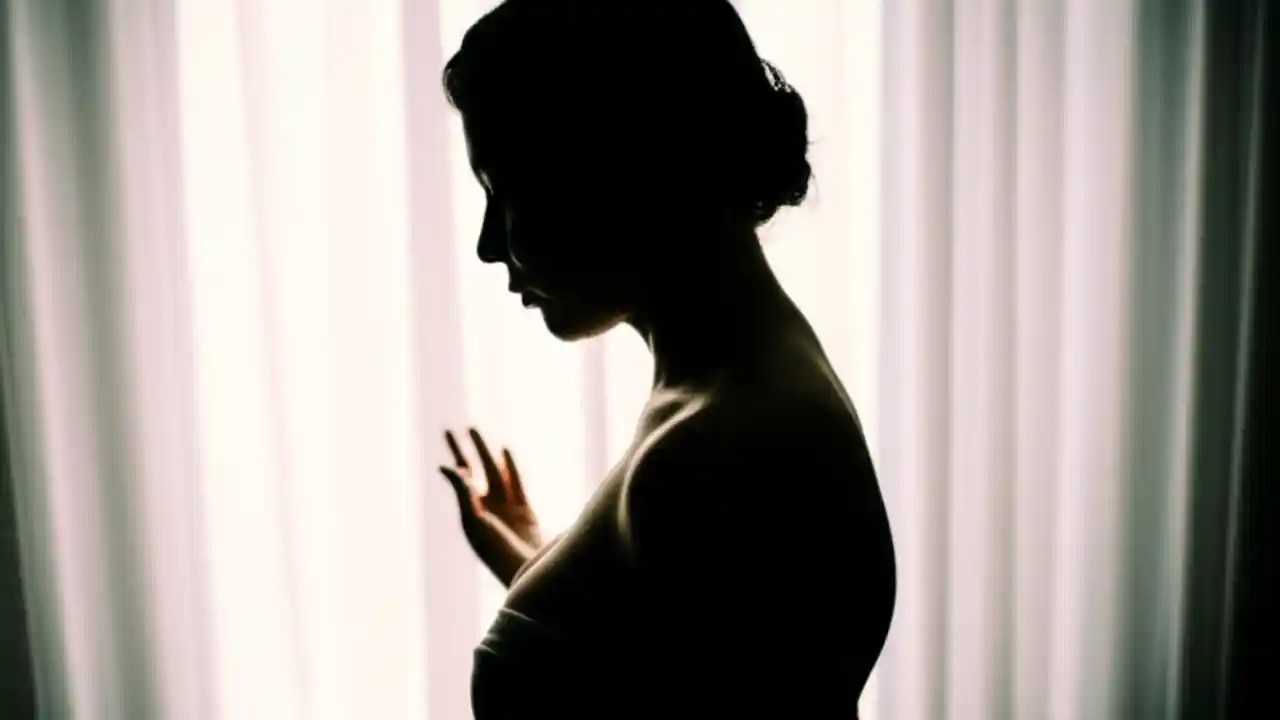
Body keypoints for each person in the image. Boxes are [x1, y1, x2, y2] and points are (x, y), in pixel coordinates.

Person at [435, 1, 895, 717]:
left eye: (508, 189)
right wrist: (531, 558)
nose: (489, 245)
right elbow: (662, 666)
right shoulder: (734, 396)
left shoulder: (725, 445)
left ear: (627, 165)